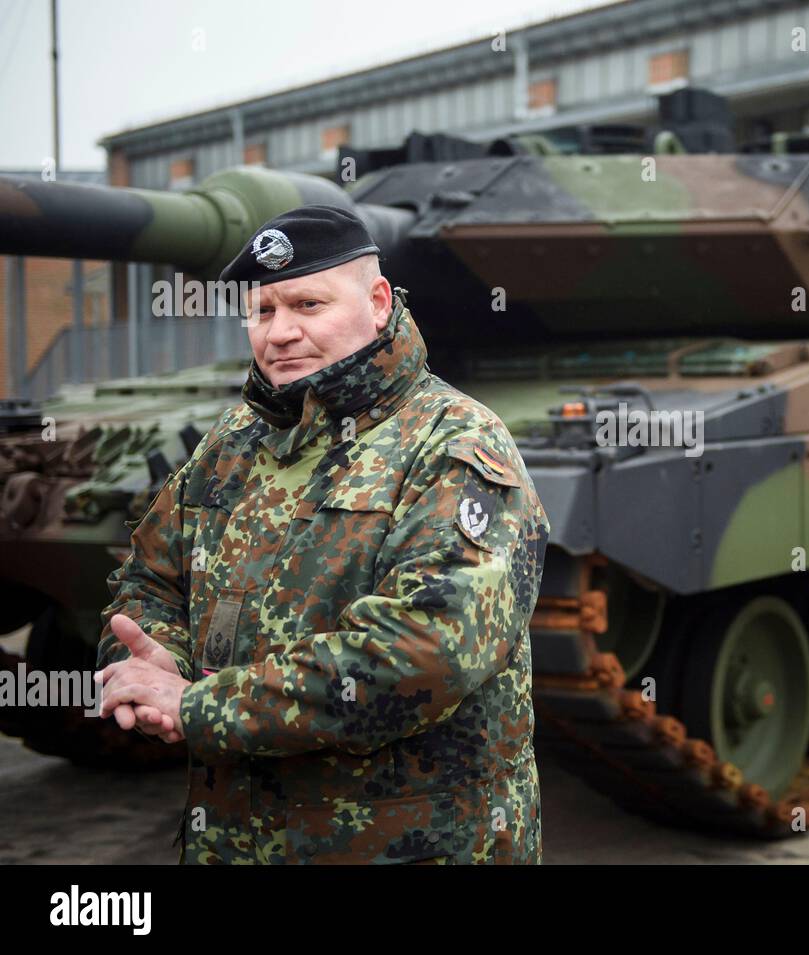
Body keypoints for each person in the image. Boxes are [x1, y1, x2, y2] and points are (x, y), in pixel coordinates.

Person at [93, 204, 549, 864]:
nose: (280, 332)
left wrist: (200, 705)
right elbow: (149, 579)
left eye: (308, 304)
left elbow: (425, 654)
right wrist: (153, 662)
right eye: (262, 310)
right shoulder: (233, 441)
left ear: (378, 301)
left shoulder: (452, 444)